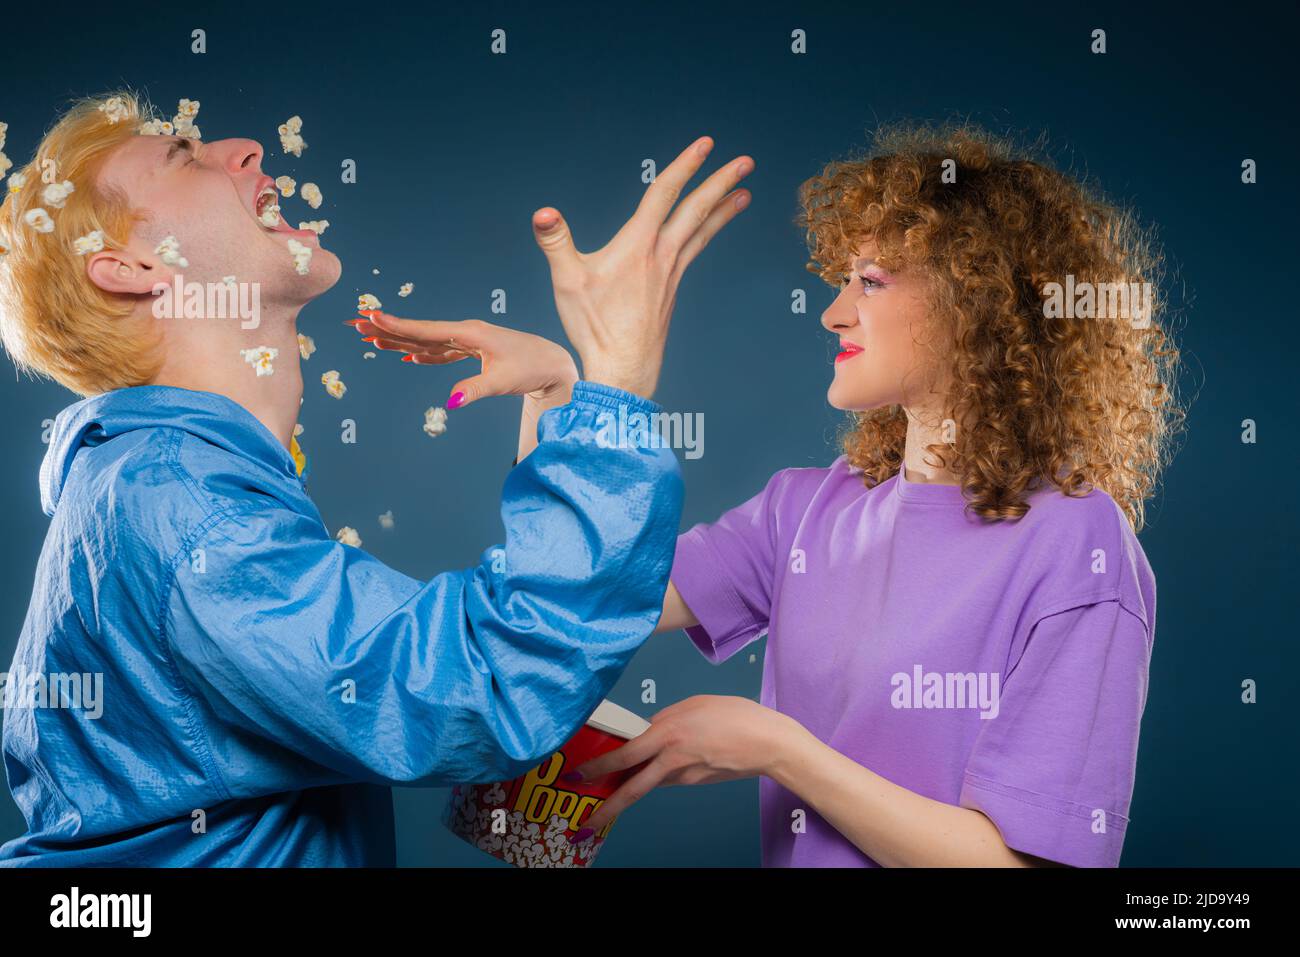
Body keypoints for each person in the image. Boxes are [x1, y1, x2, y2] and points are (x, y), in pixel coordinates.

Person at [363, 123, 1182, 867]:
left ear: (979, 301)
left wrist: (779, 749)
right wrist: (564, 395)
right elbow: (572, 597)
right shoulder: (804, 511)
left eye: (869, 280)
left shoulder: (1081, 548)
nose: (832, 313)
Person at [0, 91, 753, 865]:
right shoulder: (183, 509)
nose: (245, 148)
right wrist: (615, 391)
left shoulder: (167, 486)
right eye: (182, 157)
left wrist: (556, 394)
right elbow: (485, 687)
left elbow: (444, 709)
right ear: (128, 267)